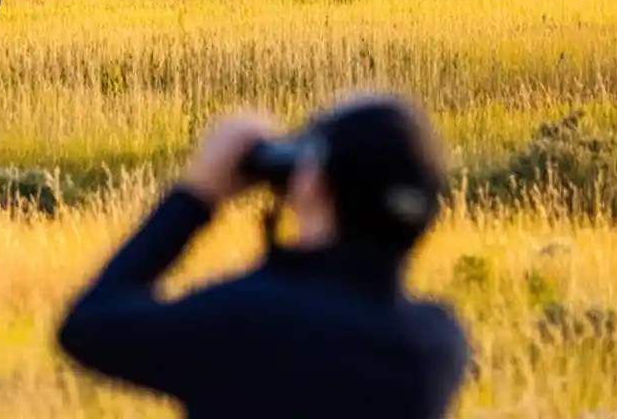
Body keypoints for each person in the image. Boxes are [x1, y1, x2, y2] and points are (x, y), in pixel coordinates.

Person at [56, 94, 470, 419]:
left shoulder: (246, 320)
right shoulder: (437, 345)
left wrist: (196, 196)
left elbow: (88, 325)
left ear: (312, 188)